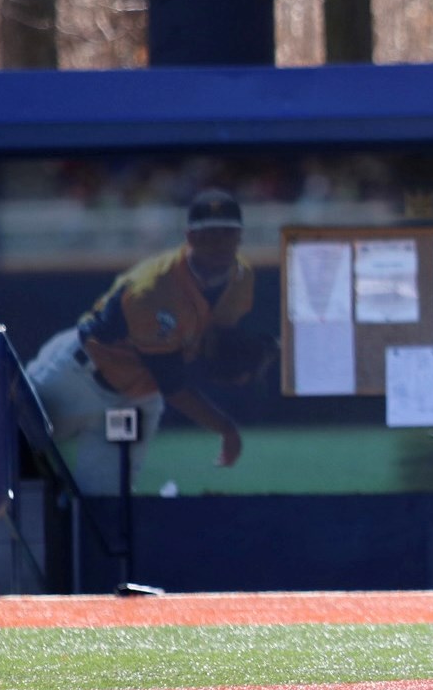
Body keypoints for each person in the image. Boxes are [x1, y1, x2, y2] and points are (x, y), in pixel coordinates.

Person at [25, 189, 274, 495]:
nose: (219, 244)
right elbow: (173, 385)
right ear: (190, 237)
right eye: (209, 234)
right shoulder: (153, 289)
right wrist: (225, 427)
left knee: (106, 507)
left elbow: (211, 338)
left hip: (132, 404)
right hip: (77, 380)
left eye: (228, 233)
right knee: (9, 452)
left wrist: (246, 357)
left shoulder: (241, 278)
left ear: (240, 237)